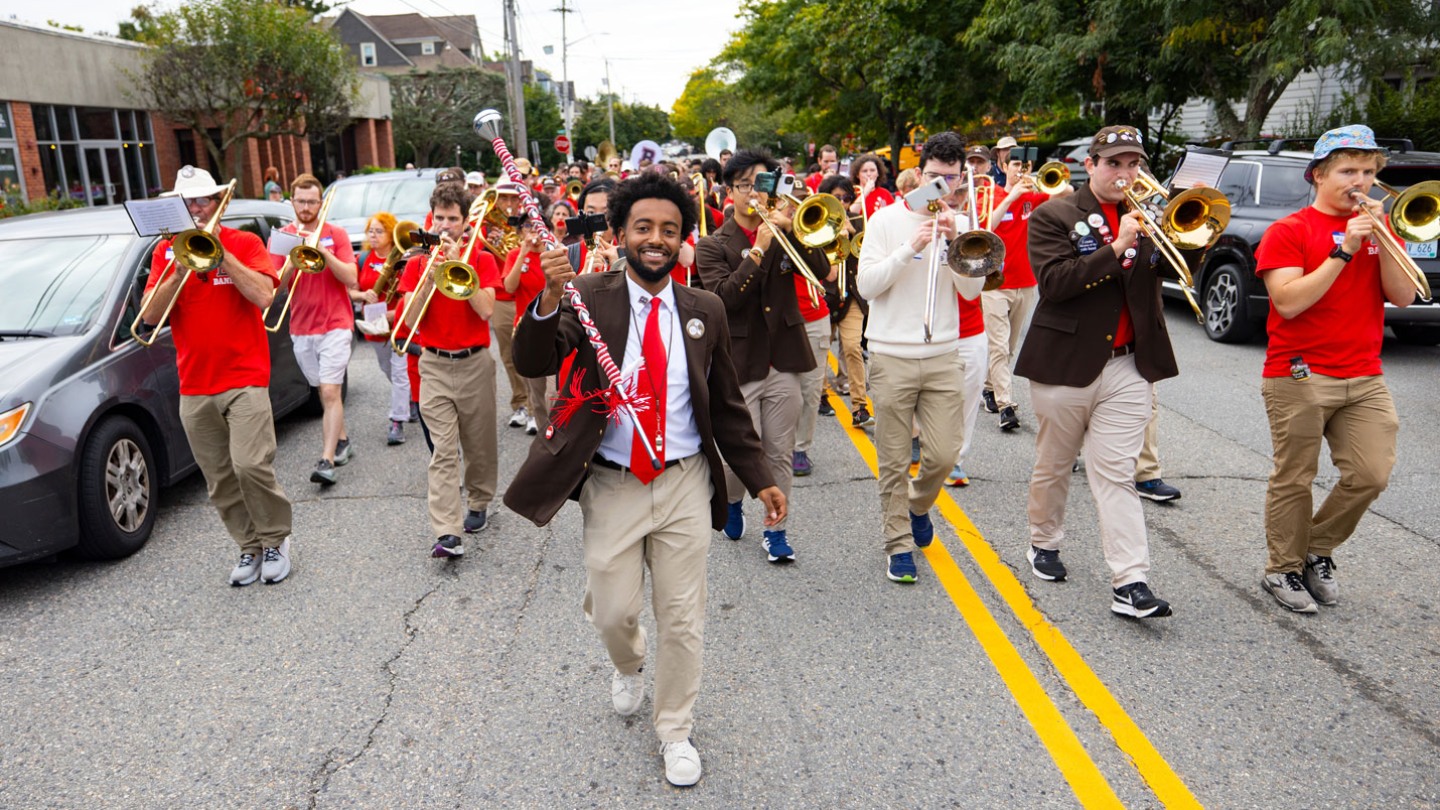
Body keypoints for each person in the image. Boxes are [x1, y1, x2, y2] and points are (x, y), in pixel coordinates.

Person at [504, 173, 785, 788]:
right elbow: (532, 360)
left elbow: (727, 405)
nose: (656, 239)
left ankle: (675, 729)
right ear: (621, 233)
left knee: (682, 617)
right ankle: (628, 664)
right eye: (643, 228)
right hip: (613, 481)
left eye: (669, 230)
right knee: (614, 613)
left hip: (684, 481)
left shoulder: (704, 309)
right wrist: (548, 296)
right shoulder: (586, 295)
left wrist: (759, 476)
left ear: (682, 240)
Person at [1015, 124, 1178, 619]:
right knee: (1055, 462)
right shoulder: (1054, 214)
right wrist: (1118, 245)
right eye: (1114, 164)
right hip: (1065, 361)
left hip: (1128, 363)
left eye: (1134, 164)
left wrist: (1180, 231)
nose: (1125, 174)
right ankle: (1043, 540)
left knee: (1117, 474)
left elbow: (1176, 271)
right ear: (1090, 165)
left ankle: (1131, 581)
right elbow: (1055, 283)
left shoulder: (1147, 215)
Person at [1252, 124, 1413, 613]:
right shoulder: (1290, 231)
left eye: (1367, 171)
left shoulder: (1378, 231)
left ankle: (1316, 548)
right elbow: (1288, 302)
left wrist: (1384, 238)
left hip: (1364, 374)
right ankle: (1282, 568)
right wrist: (1344, 250)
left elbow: (1404, 297)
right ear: (1319, 175)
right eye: (1347, 171)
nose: (1359, 181)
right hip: (1298, 371)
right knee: (1295, 476)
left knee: (1371, 474)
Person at [140, 166, 292, 585]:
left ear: (218, 203)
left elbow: (264, 295)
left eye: (202, 200)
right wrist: (178, 268)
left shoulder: (245, 242)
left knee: (250, 466)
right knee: (219, 477)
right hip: (194, 382)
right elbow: (149, 315)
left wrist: (222, 255)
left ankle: (275, 539)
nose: (196, 208)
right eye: (187, 202)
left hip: (245, 376)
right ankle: (249, 546)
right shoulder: (165, 251)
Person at [856, 132, 984, 583]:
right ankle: (897, 544)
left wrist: (954, 243)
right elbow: (867, 286)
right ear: (918, 173)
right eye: (934, 177)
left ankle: (917, 506)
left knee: (945, 455)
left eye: (952, 179)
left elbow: (971, 292)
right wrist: (910, 247)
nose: (942, 187)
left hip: (943, 353)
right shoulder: (885, 219)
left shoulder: (961, 222)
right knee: (893, 459)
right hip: (891, 355)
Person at [696, 149, 828, 563]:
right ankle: (733, 500)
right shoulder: (712, 245)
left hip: (783, 357)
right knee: (739, 454)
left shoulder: (785, 231)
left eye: (762, 185)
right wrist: (759, 249)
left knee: (779, 451)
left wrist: (795, 232)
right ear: (729, 192)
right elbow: (723, 300)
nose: (754, 193)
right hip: (740, 362)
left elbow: (821, 271)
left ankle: (776, 529)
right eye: (745, 185)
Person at [397, 182, 502, 555]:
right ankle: (447, 531)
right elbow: (409, 320)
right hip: (434, 364)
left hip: (475, 363)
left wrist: (461, 266)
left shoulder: (482, 260)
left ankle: (479, 499)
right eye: (439, 218)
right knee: (442, 449)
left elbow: (486, 310)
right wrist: (430, 276)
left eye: (452, 219)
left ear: (464, 221)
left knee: (479, 443)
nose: (444, 225)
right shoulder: (417, 264)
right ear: (431, 218)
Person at [276, 173, 359, 486]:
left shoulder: (336, 234)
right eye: (301, 201)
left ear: (321, 203)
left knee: (330, 390)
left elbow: (351, 277)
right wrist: (291, 260)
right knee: (324, 391)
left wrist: (323, 253)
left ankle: (326, 460)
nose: (306, 207)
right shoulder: (282, 236)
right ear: (292, 202)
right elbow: (274, 288)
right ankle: (343, 440)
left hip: (336, 323)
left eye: (312, 202)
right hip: (301, 327)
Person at [982, 149, 1072, 433]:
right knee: (998, 346)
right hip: (995, 284)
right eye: (1016, 164)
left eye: (1025, 165)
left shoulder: (1034, 197)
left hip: (1026, 282)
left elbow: (1067, 192)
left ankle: (989, 388)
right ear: (1003, 166)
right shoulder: (993, 194)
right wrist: (1012, 195)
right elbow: (987, 226)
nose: (1020, 169)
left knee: (1008, 347)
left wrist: (1041, 181)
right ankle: (1006, 406)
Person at [819, 175, 872, 428]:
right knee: (821, 348)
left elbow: (870, 256)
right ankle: (821, 395)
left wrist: (852, 234)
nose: (842, 202)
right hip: (825, 294)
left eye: (847, 198)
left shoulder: (859, 221)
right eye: (837, 197)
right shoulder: (816, 221)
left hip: (852, 294)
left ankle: (860, 406)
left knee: (852, 347)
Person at [353, 212, 410, 445]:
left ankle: (397, 421)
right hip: (375, 326)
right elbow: (351, 290)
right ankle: (411, 400)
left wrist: (393, 314)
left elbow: (410, 292)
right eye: (371, 231)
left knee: (400, 373)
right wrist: (362, 295)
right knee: (388, 369)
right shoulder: (362, 259)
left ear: (391, 234)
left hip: (398, 324)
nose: (373, 235)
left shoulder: (403, 259)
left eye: (379, 231)